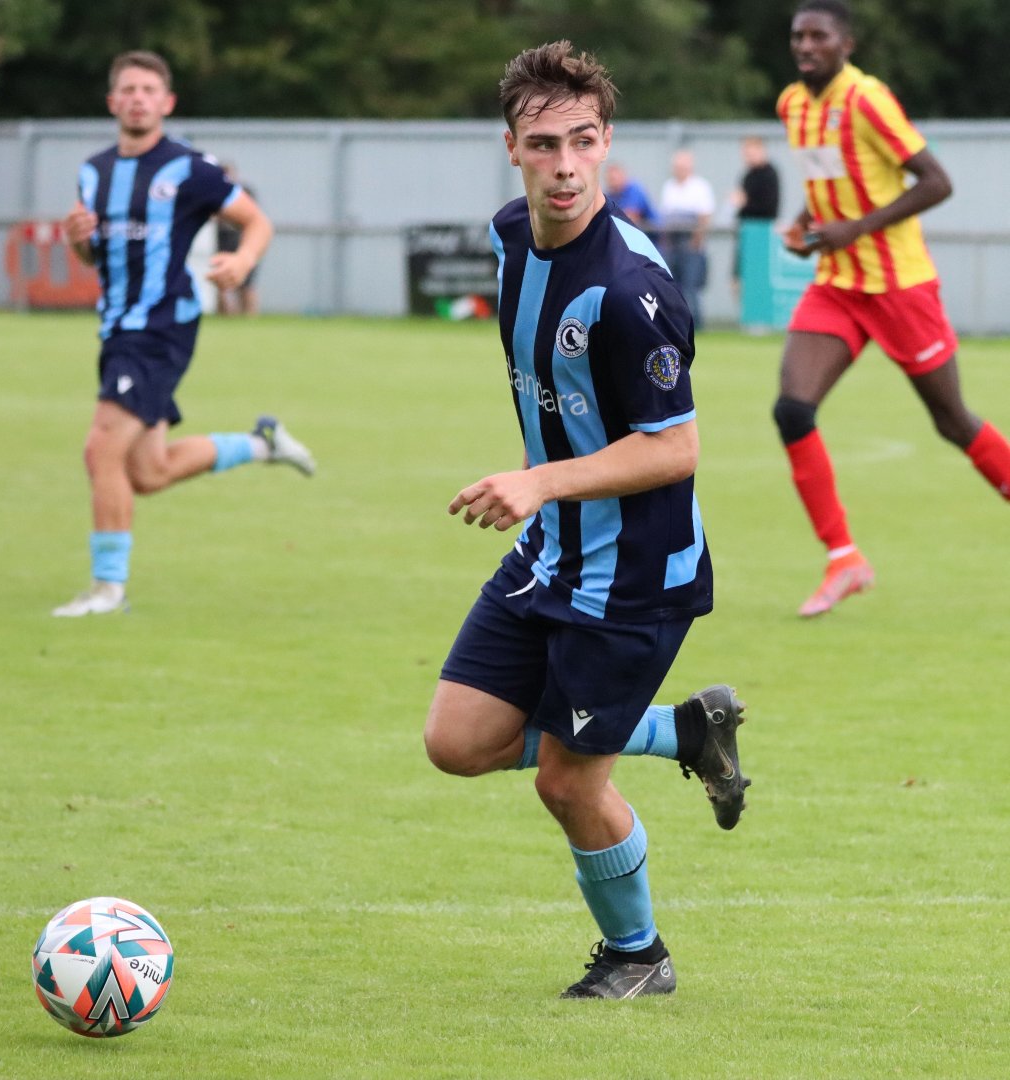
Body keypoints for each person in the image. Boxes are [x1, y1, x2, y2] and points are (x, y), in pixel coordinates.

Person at [423, 41, 750, 1000]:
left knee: (567, 781)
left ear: (606, 142)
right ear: (512, 149)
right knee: (455, 742)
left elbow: (676, 448)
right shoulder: (510, 237)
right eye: (543, 144)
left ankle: (638, 955)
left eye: (582, 141)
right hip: (552, 553)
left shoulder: (636, 292)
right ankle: (681, 733)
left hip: (635, 577)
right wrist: (547, 495)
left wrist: (541, 481)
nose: (564, 166)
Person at [54, 50, 315, 617]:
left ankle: (107, 590)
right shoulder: (93, 172)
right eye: (128, 89)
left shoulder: (188, 168)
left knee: (101, 450)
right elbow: (95, 255)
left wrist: (242, 261)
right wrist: (77, 241)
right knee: (147, 472)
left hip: (160, 328)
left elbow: (256, 221)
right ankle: (262, 444)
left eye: (149, 90)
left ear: (167, 102)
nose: (138, 99)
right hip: (116, 329)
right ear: (112, 102)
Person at [775, 0, 1010, 617]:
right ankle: (844, 558)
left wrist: (858, 227)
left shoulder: (868, 100)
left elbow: (936, 181)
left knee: (952, 420)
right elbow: (825, 179)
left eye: (819, 36)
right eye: (799, 36)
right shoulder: (792, 104)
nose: (806, 46)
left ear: (845, 44)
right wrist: (804, 223)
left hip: (900, 288)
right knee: (792, 409)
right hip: (838, 285)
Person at [658, 149, 715, 328]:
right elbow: (665, 217)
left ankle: (696, 324)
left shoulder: (700, 187)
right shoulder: (669, 186)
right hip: (672, 243)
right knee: (671, 285)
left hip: (690, 243)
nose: (679, 170)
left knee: (691, 287)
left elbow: (704, 218)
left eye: (682, 166)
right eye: (677, 167)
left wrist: (696, 243)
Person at [731, 135, 780, 288]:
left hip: (761, 234)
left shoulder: (770, 175)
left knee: (758, 277)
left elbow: (769, 208)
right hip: (746, 231)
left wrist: (744, 203)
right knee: (738, 278)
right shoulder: (748, 176)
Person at [215, 161, 262, 316]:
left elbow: (254, 218)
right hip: (222, 239)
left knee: (247, 283)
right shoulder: (213, 192)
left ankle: (250, 316)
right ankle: (227, 316)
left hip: (242, 239)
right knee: (223, 282)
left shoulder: (244, 192)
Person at [604, 162, 658, 236]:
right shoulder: (610, 194)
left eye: (614, 178)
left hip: (651, 234)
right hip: (627, 234)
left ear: (623, 175)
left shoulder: (635, 189)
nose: (613, 182)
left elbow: (631, 217)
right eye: (610, 179)